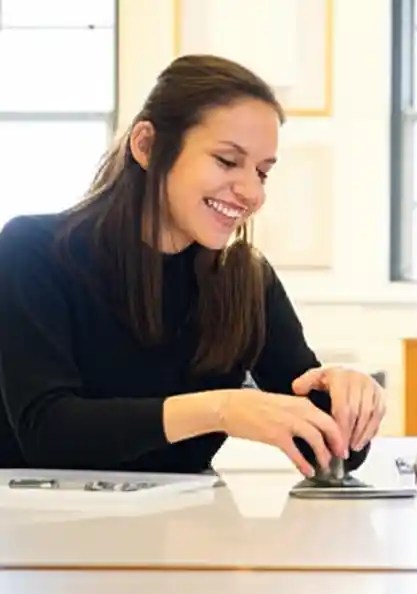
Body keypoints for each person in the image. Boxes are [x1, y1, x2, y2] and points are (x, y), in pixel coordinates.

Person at [0, 55, 385, 477]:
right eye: (226, 160)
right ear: (146, 145)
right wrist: (221, 408)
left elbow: (328, 453)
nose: (250, 192)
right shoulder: (32, 252)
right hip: (42, 526)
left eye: (262, 172)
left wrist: (348, 403)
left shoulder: (246, 280)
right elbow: (48, 433)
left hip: (184, 531)